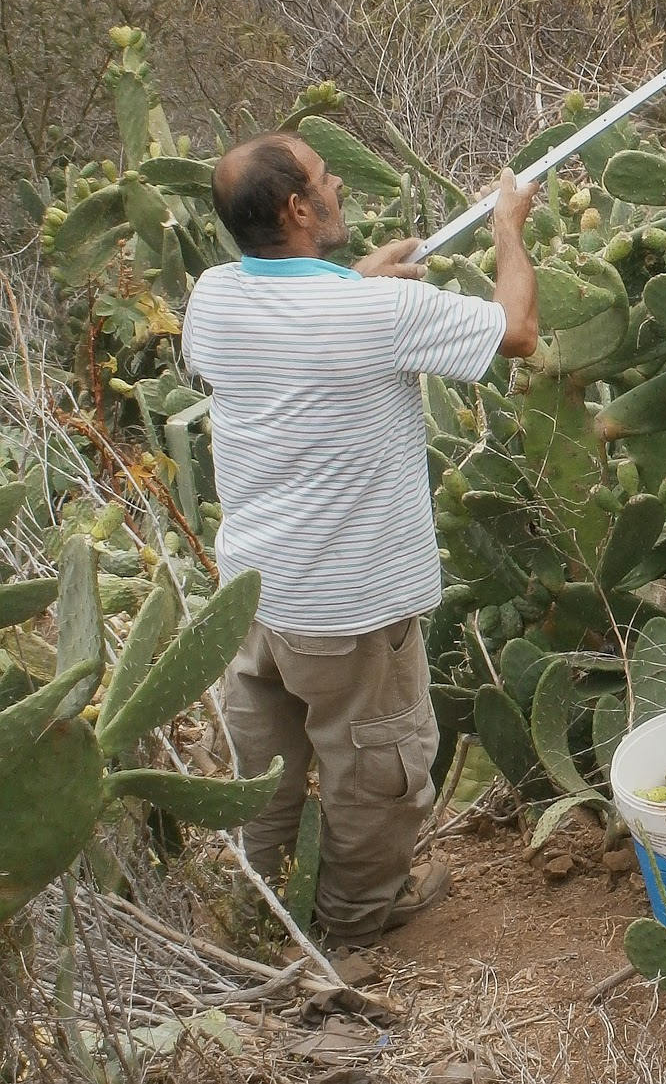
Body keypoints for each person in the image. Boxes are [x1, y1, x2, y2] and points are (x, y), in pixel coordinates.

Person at [182, 133, 539, 946]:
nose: (338, 180)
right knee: (376, 775)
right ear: (298, 209)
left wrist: (350, 280)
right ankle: (348, 928)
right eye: (322, 176)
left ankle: (258, 919)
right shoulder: (373, 313)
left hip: (253, 599)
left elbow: (295, 327)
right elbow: (516, 330)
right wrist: (508, 230)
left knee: (263, 777)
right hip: (349, 613)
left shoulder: (211, 296)